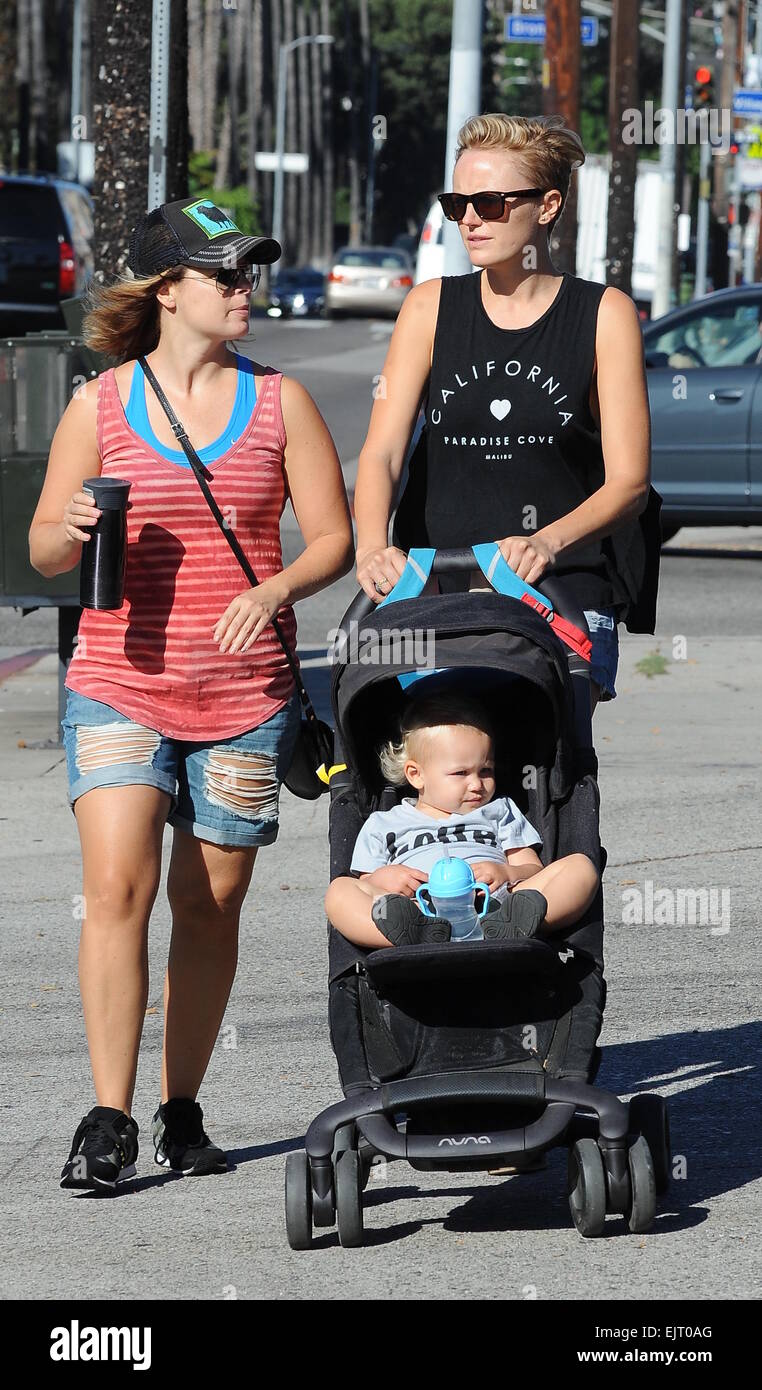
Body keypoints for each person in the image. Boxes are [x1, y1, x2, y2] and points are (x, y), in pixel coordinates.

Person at [28, 197, 353, 1190]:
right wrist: (74, 524)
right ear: (168, 290)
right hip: (119, 682)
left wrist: (275, 587)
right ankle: (108, 1116)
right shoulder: (101, 405)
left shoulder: (280, 402)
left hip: (247, 695)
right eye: (226, 273)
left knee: (211, 903)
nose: (244, 287)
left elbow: (334, 538)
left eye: (249, 270)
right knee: (118, 890)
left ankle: (182, 1106)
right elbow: (41, 548)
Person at [352, 114, 653, 710]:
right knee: (434, 772)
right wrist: (371, 548)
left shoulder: (603, 314)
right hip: (436, 582)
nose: (468, 218)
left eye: (488, 202)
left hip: (557, 588)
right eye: (458, 202)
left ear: (546, 206)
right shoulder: (428, 308)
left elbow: (629, 483)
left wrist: (544, 542)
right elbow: (382, 451)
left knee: (546, 768)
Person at [324, 695, 599, 949]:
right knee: (340, 891)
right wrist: (384, 878)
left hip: (499, 907)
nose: (477, 784)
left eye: (486, 770)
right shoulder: (384, 823)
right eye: (461, 773)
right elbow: (366, 881)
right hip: (418, 908)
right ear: (416, 775)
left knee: (581, 866)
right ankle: (409, 934)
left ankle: (513, 927)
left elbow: (532, 868)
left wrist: (506, 873)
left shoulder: (499, 811)